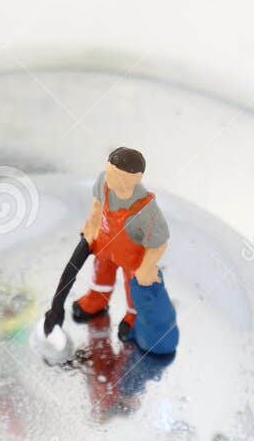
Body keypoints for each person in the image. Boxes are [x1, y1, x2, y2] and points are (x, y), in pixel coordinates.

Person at [42, 147, 179, 354]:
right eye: (109, 172)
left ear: (136, 178)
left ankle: (132, 317)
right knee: (100, 274)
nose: (110, 179)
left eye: (118, 176)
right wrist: (91, 228)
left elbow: (159, 242)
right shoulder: (104, 183)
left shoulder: (146, 208)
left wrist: (146, 268)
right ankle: (97, 300)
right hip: (104, 244)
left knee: (131, 285)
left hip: (131, 255)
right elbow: (97, 207)